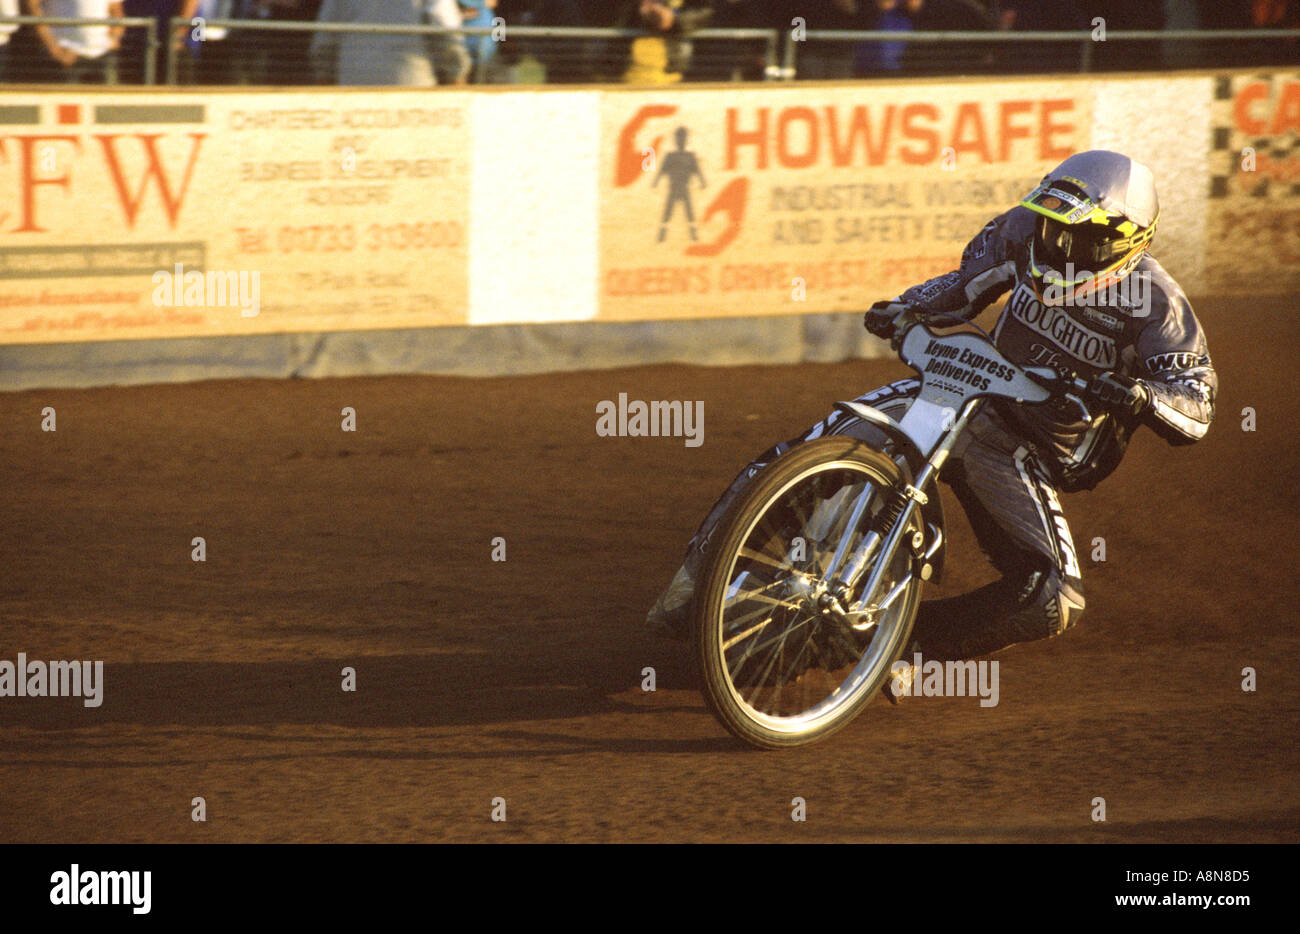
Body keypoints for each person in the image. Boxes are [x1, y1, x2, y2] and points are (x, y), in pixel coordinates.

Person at [646, 150, 1217, 700]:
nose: (1057, 248)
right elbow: (963, 286)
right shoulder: (1022, 231)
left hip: (1035, 449)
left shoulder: (1157, 303)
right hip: (968, 389)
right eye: (1053, 229)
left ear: (1127, 241)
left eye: (1080, 240)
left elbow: (1197, 404)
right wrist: (907, 305)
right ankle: (698, 582)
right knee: (812, 445)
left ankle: (894, 644)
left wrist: (1142, 396)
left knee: (1054, 598)